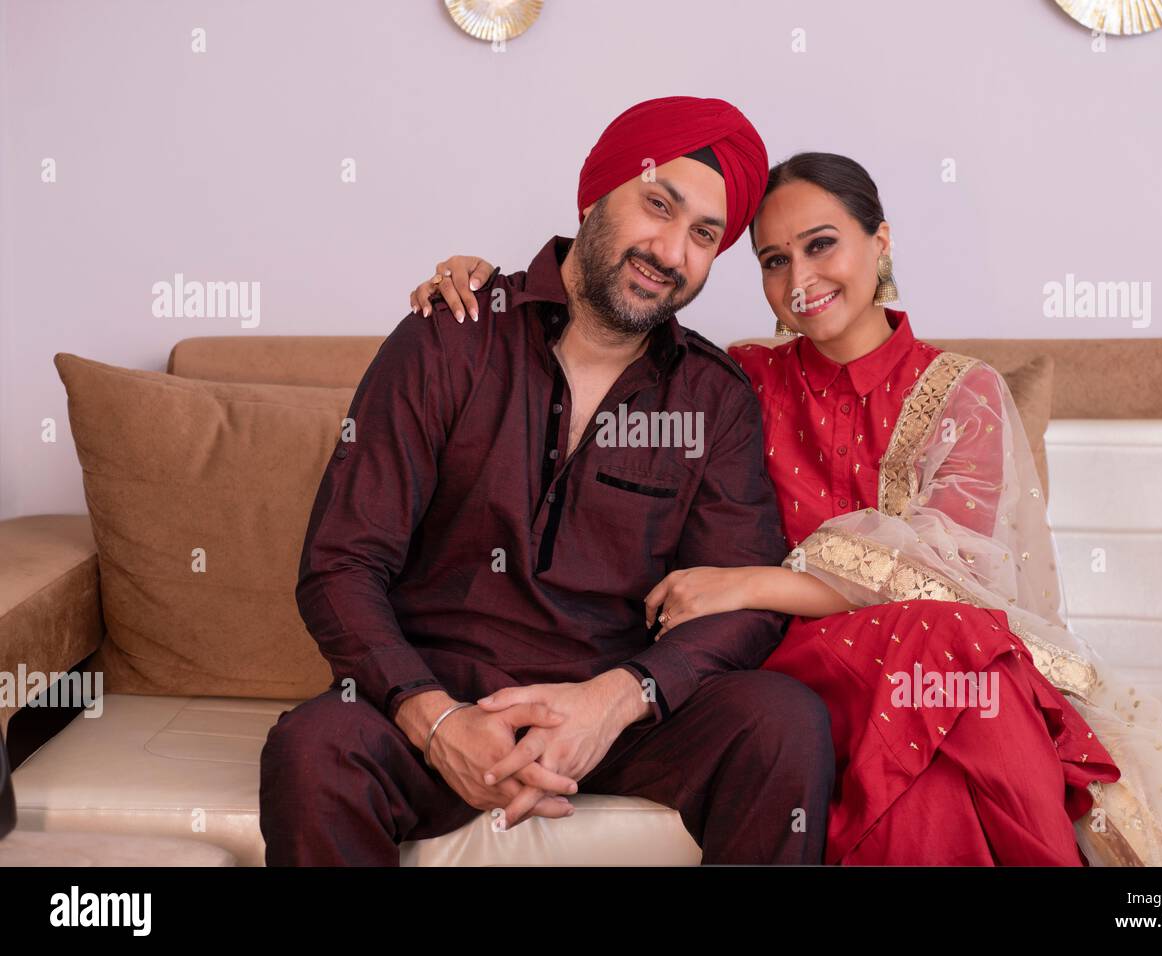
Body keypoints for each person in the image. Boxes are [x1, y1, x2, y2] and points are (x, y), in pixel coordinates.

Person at [414, 152, 1162, 866]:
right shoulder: (736, 379)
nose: (801, 279)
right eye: (773, 261)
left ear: (881, 242)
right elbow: (599, 329)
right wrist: (496, 289)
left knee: (940, 721)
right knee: (953, 657)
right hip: (779, 674)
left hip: (915, 672)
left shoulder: (963, 391)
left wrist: (747, 582)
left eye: (822, 245)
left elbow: (957, 579)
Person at [259, 96, 837, 866]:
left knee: (783, 721)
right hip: (445, 695)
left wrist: (613, 701)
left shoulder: (713, 396)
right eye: (657, 205)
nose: (670, 250)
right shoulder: (451, 336)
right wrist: (434, 721)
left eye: (703, 235)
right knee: (313, 749)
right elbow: (341, 563)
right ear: (596, 193)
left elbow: (740, 602)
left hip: (618, 718)